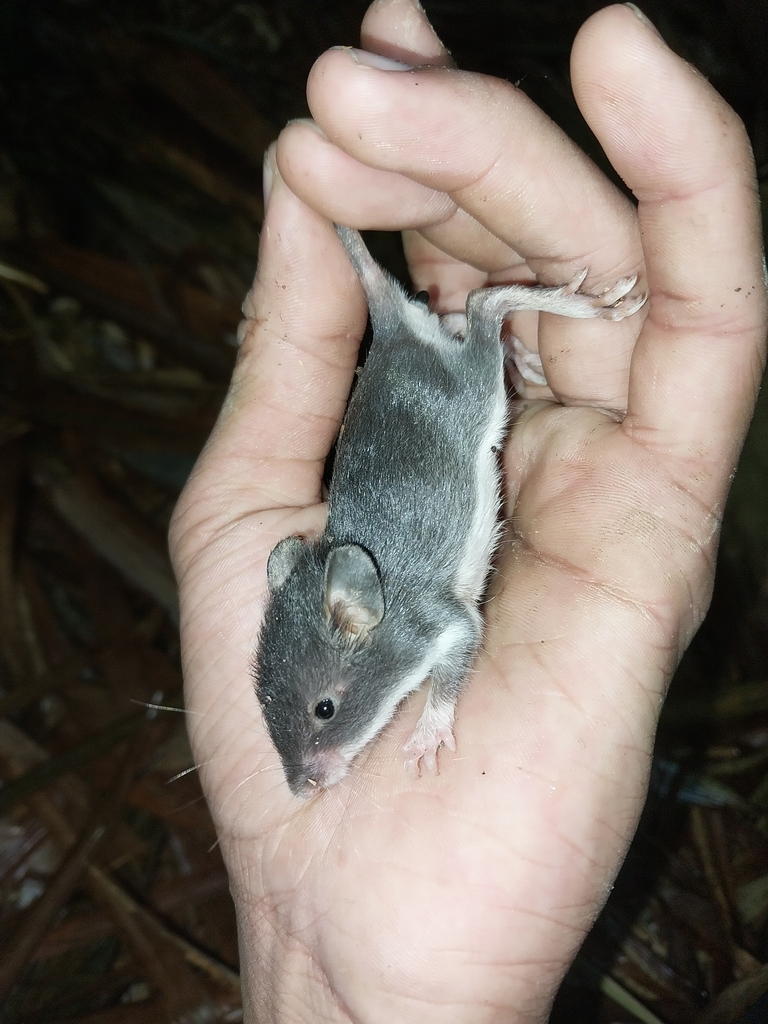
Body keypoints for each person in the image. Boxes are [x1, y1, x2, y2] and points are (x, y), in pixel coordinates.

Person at [169, 1, 767, 1020]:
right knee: (400, 303)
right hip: (397, 403)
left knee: (481, 371)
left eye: (315, 724)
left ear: (346, 618)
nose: (310, 765)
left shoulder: (383, 631)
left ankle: (526, 305)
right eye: (303, 735)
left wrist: (443, 708)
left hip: (437, 410)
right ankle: (437, 270)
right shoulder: (339, 612)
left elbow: (452, 624)